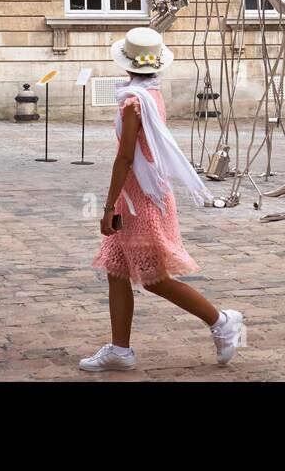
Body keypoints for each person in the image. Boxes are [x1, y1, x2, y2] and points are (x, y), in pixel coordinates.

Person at [79, 27, 243, 372]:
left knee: (154, 276)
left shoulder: (133, 103)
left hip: (141, 198)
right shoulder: (151, 95)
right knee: (116, 270)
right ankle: (120, 349)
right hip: (143, 193)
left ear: (126, 63)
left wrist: (108, 207)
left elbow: (124, 159)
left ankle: (220, 320)